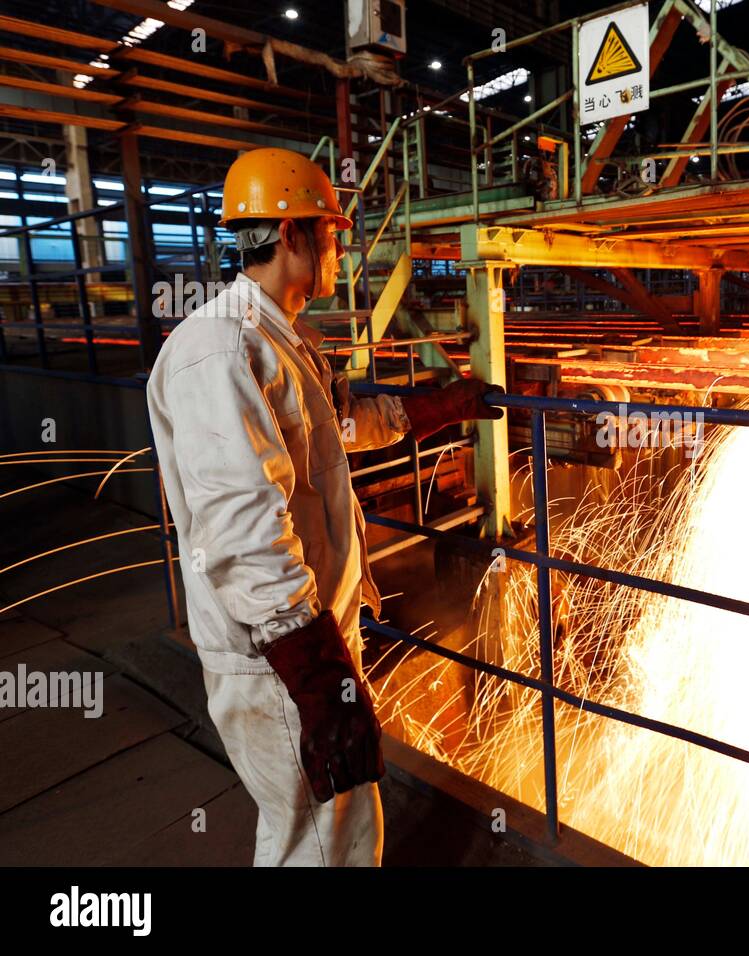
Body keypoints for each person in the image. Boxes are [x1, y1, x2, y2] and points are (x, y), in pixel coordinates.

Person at [146, 147, 502, 866]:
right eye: (332, 232)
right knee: (325, 842)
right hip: (277, 657)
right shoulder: (219, 350)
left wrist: (433, 408)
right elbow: (244, 530)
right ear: (290, 236)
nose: (342, 248)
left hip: (303, 643)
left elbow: (334, 431)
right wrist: (317, 677)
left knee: (314, 833)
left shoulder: (282, 338)